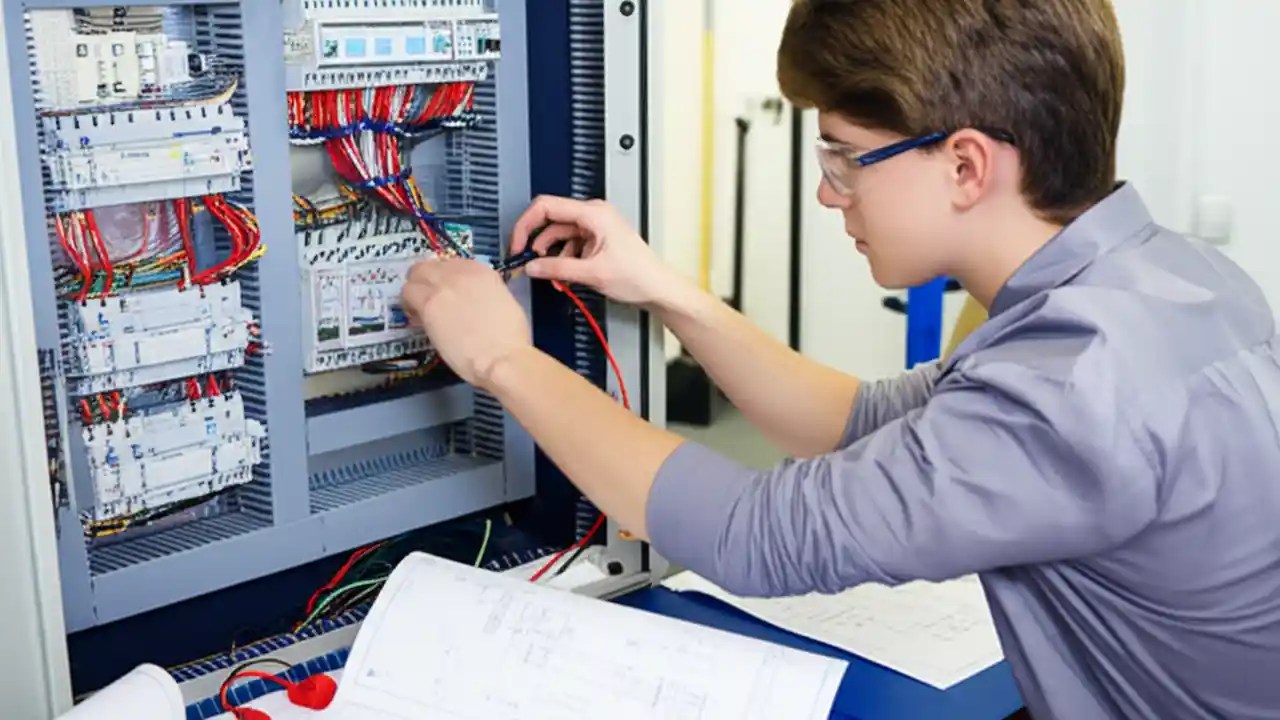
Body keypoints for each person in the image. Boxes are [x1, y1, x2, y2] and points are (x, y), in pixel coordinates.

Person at [402, 0, 1280, 717]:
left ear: (966, 166)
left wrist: (503, 362)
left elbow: (752, 536)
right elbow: (859, 423)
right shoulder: (1162, 281)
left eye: (847, 158)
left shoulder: (1075, 385)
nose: (829, 191)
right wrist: (667, 291)